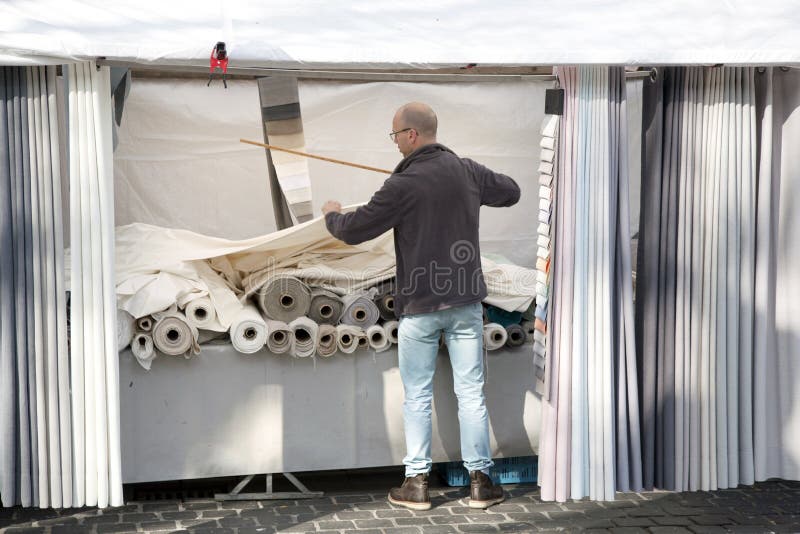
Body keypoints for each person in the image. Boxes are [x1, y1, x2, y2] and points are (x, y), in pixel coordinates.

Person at [322, 102, 520, 510]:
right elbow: (512, 191)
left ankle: (416, 484)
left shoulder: (403, 185)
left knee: (417, 396)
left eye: (394, 136)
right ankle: (480, 483)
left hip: (421, 305)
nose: (394, 143)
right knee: (470, 393)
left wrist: (331, 214)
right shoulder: (467, 171)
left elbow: (353, 231)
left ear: (412, 134)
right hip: (465, 301)